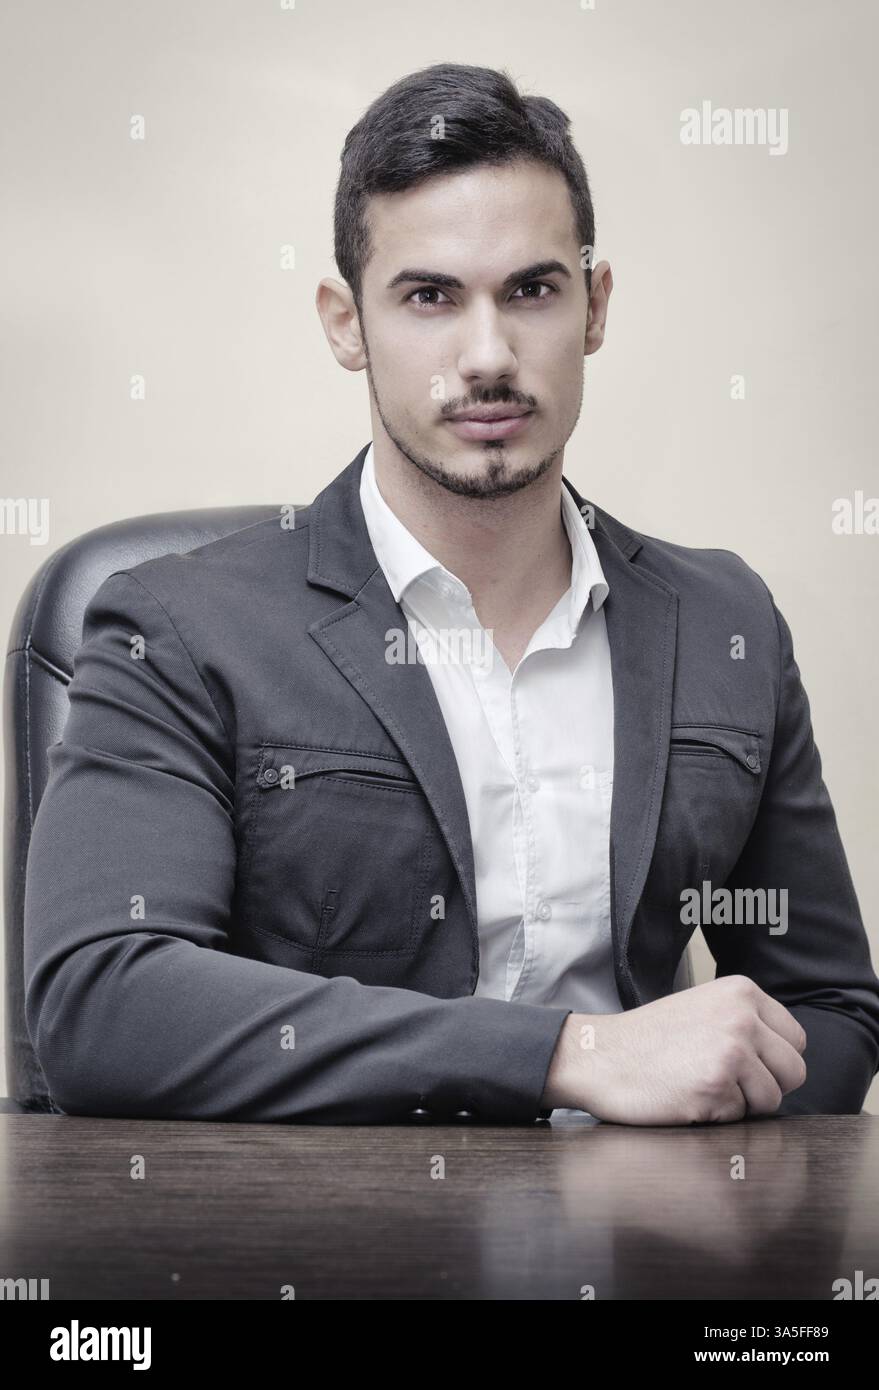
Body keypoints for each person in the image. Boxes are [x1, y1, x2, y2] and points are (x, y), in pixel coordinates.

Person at [24, 63, 879, 1125]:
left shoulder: (724, 624)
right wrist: (565, 1054)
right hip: (316, 1256)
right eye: (430, 297)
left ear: (594, 305)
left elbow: (830, 1003)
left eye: (533, 290)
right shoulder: (177, 627)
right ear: (346, 323)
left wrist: (711, 1184)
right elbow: (103, 1002)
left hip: (645, 1246)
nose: (488, 356)